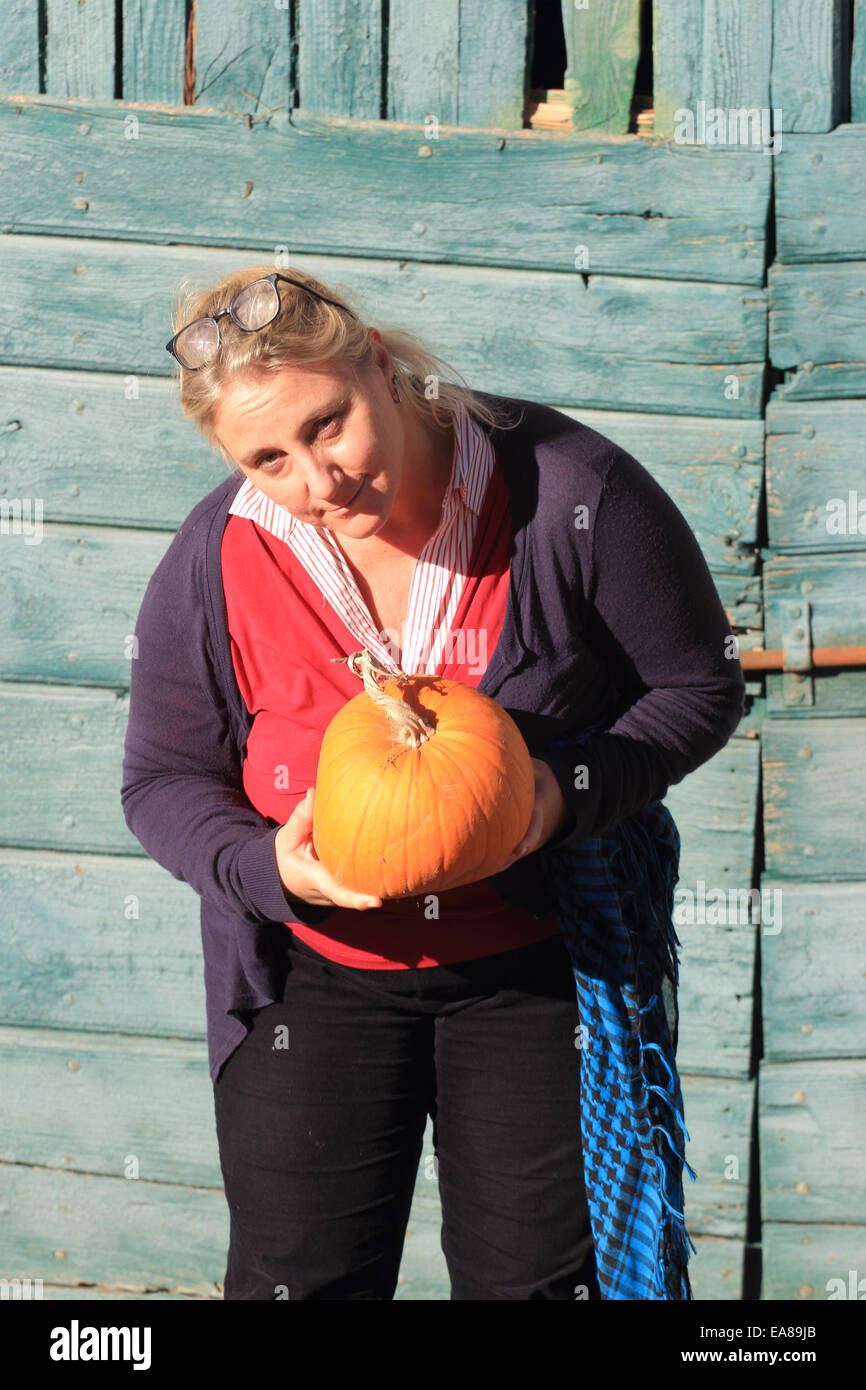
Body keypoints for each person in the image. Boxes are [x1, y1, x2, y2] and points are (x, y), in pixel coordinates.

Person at [121, 264, 745, 1301]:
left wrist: (566, 790)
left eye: (329, 424)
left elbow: (696, 685)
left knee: (537, 1287)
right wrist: (263, 865)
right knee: (296, 1280)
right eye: (267, 458)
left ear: (378, 361)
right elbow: (161, 780)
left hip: (538, 975)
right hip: (310, 980)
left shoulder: (571, 493)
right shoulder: (218, 555)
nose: (317, 482)